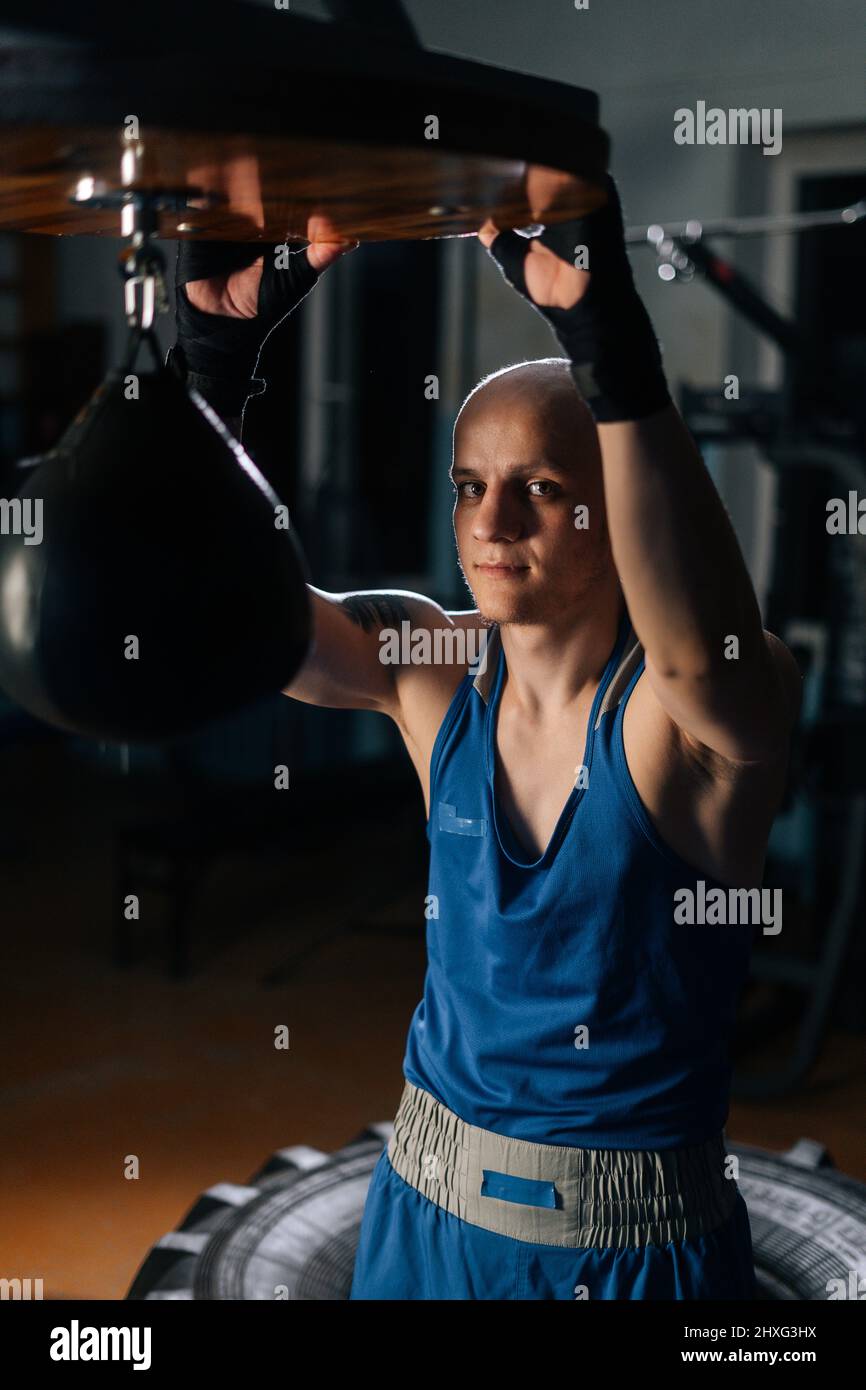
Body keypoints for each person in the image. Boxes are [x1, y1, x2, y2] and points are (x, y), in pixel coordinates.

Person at [169, 177, 801, 1300]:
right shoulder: (427, 666)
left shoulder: (678, 721)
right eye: (469, 485)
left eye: (539, 488)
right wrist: (213, 366)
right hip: (419, 1213)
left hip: (629, 1251)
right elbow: (214, 615)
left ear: (618, 509)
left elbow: (700, 653)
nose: (488, 523)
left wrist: (611, 350)